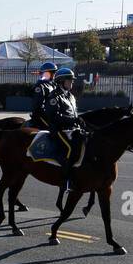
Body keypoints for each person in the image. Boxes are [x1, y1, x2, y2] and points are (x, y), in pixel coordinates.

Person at [41, 66, 85, 208]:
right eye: (69, 80)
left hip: (71, 129)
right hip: (58, 130)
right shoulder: (54, 96)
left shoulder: (70, 96)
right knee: (70, 148)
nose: (71, 83)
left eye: (72, 80)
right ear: (61, 81)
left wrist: (79, 121)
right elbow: (53, 116)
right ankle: (66, 180)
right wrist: (72, 121)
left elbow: (74, 114)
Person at [27, 61, 58, 128]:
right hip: (41, 116)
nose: (54, 74)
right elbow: (38, 106)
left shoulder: (53, 85)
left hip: (50, 114)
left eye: (54, 72)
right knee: (53, 128)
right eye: (52, 72)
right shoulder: (40, 86)